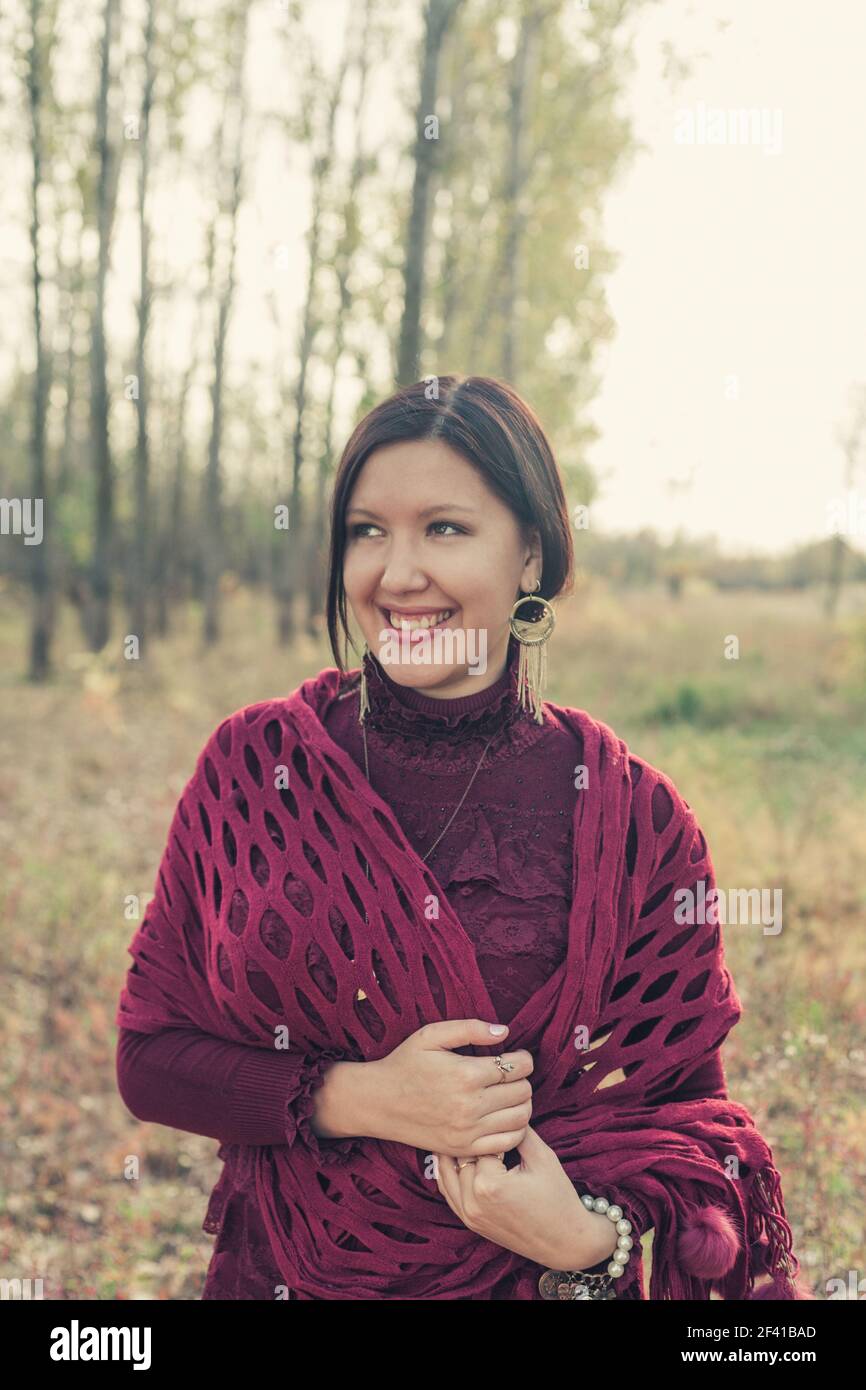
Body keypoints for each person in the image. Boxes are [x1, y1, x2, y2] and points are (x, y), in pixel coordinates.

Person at [115, 374, 804, 1301]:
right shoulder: (256, 769)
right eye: (367, 531)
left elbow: (688, 1134)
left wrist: (579, 1238)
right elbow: (150, 1059)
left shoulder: (632, 820)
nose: (397, 574)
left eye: (445, 528)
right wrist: (356, 1096)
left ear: (531, 553)